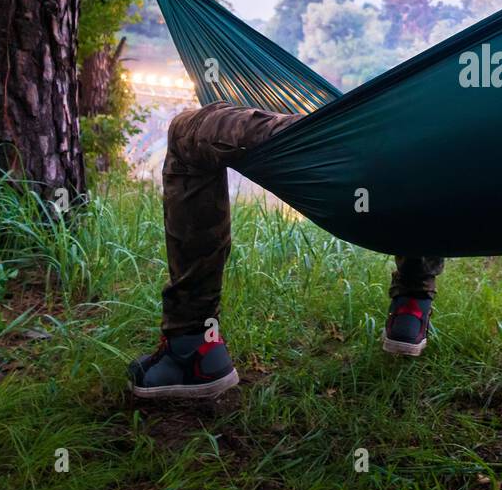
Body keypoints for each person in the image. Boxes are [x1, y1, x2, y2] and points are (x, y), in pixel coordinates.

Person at [129, 100, 444, 399]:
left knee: (188, 132)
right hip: (430, 150)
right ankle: (412, 305)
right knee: (433, 150)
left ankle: (192, 346)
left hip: (359, 144)